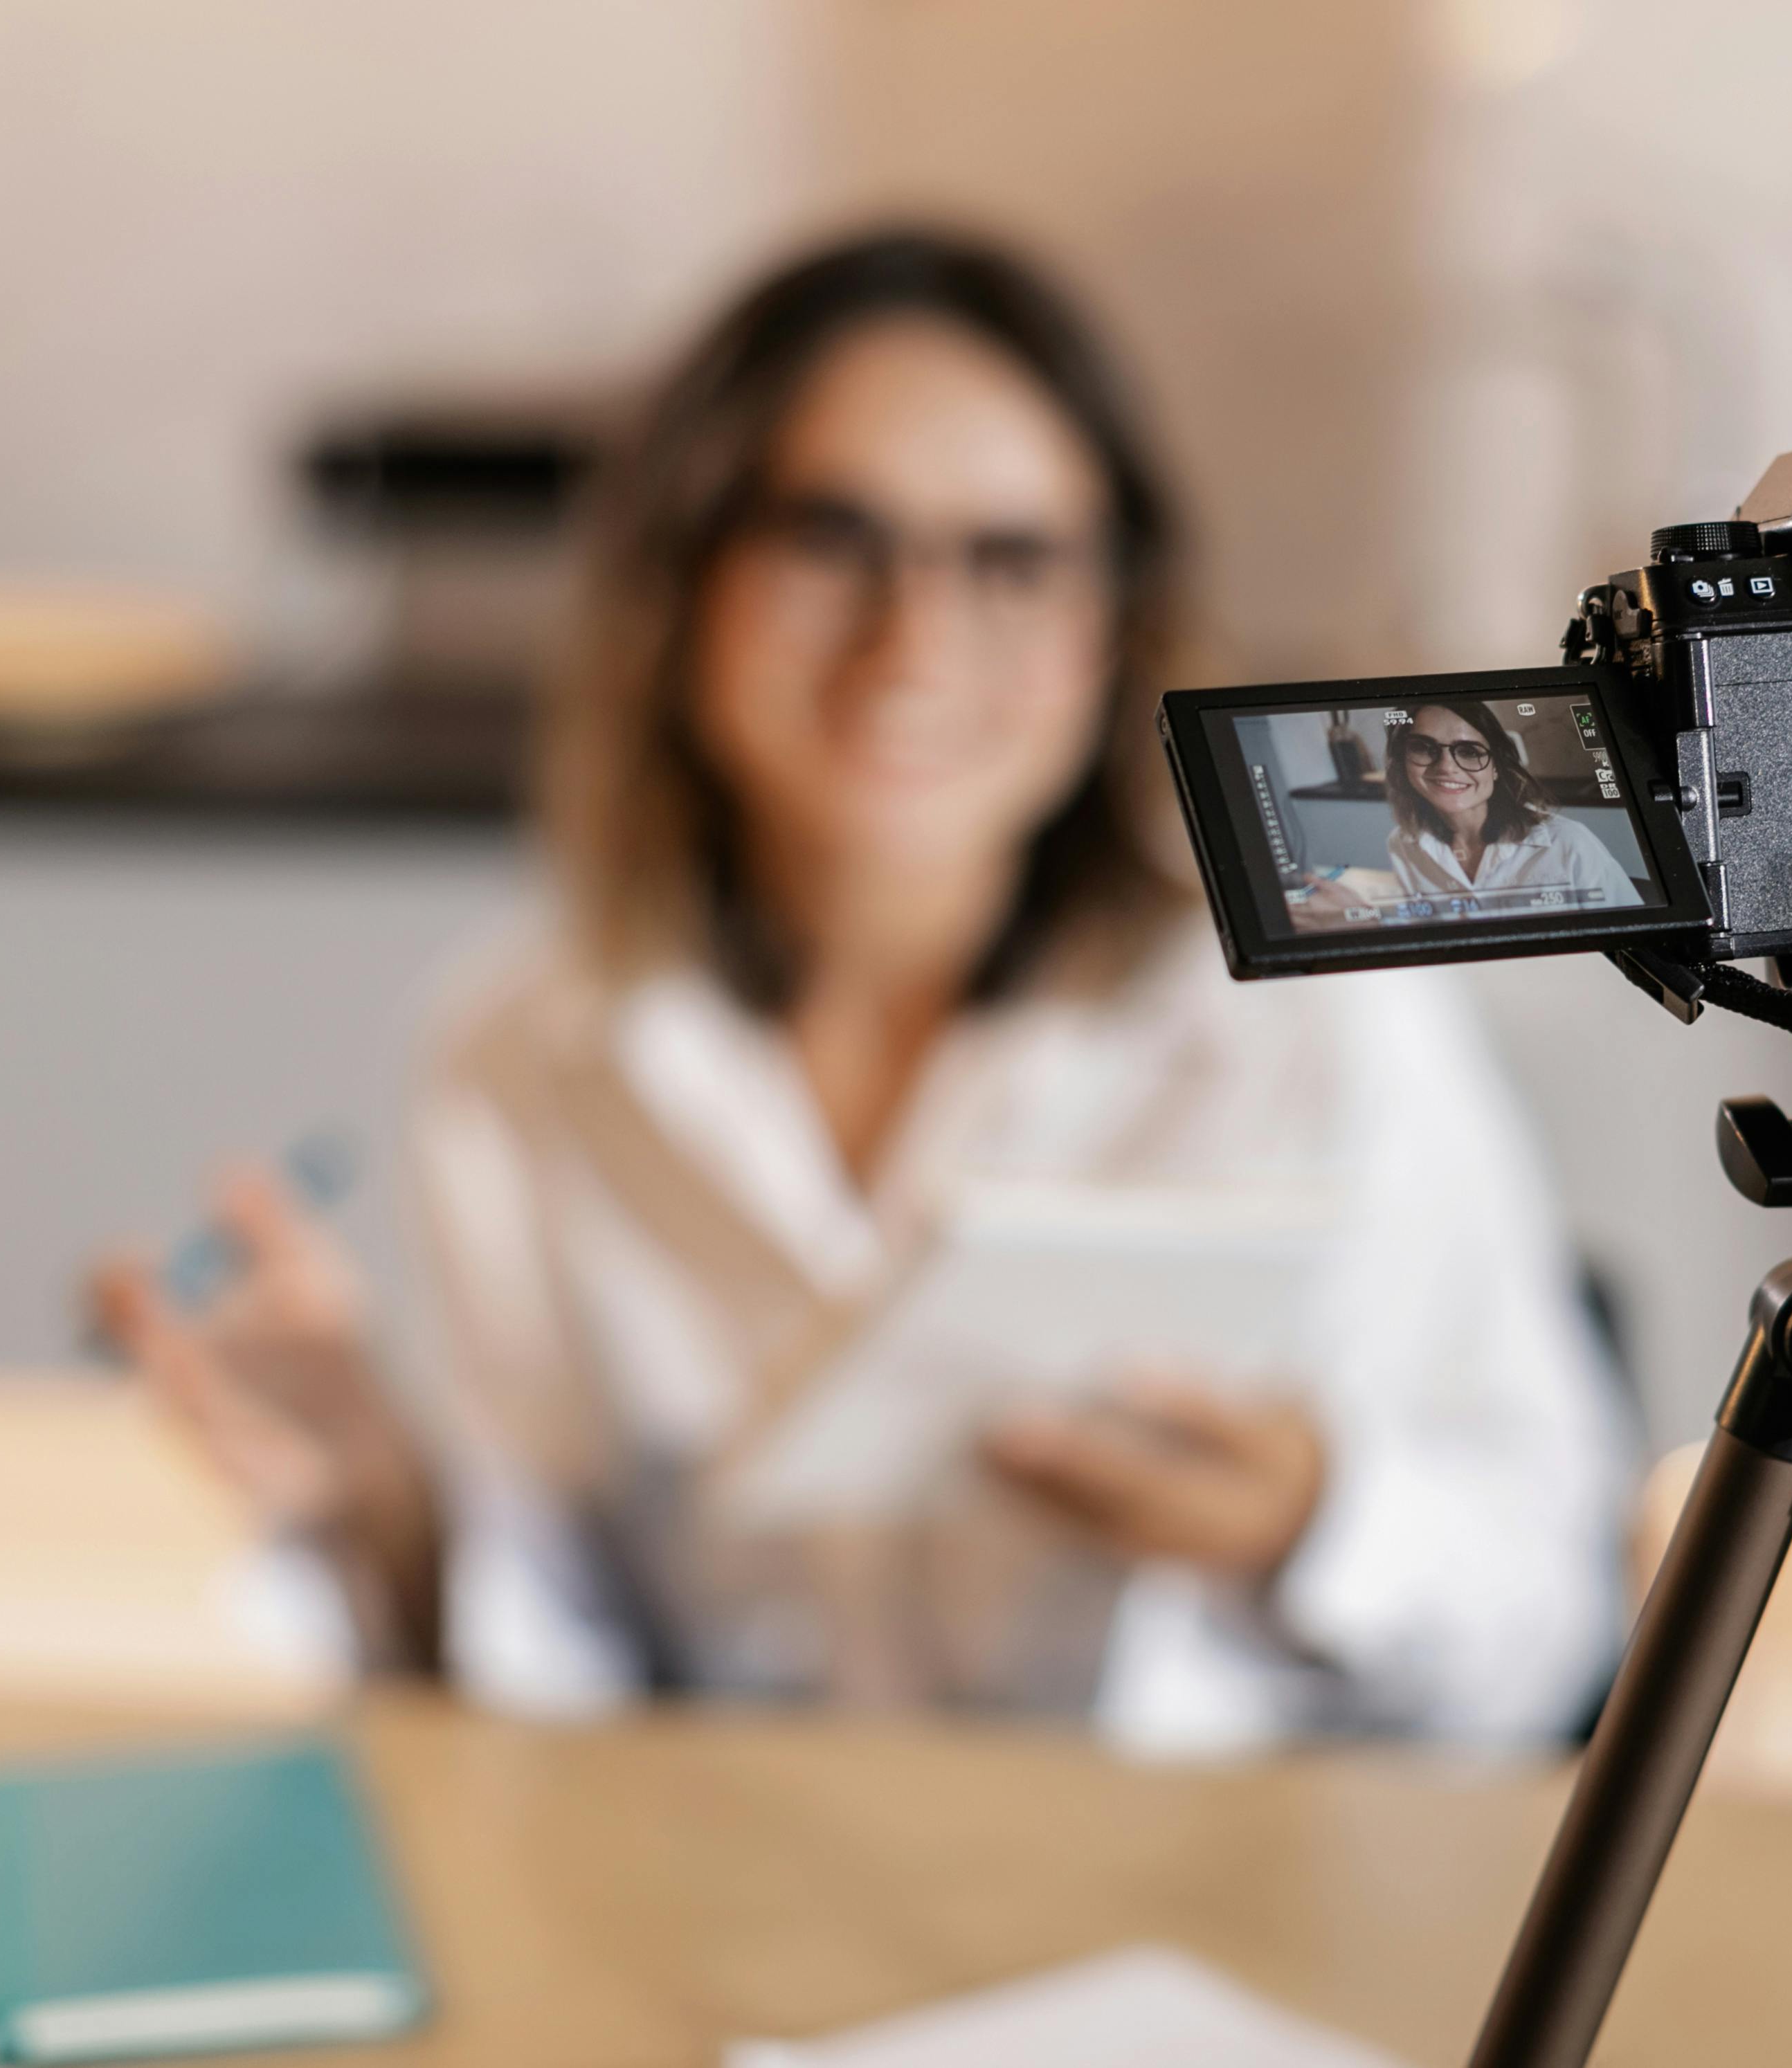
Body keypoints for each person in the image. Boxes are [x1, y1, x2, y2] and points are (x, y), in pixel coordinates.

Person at [91, 230, 1629, 1752]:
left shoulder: (1315, 1021)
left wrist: (1303, 1524)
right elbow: (551, 1705)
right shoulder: (518, 1053)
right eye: (832, 537)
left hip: (1209, 1912)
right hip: (728, 1915)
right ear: (682, 587)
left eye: (1012, 558)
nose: (917, 636)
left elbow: (1545, 1627)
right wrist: (382, 1498)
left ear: (1110, 625)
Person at [1383, 700, 1644, 911]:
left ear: (1496, 767)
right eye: (1423, 747)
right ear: (1402, 762)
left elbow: (1636, 948)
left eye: (1470, 751)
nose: (1446, 768)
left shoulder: (1570, 844)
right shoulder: (1403, 844)